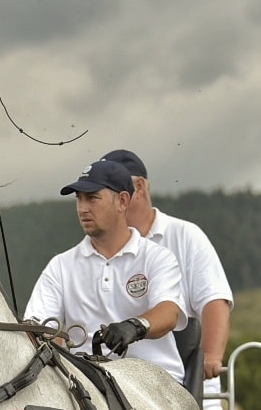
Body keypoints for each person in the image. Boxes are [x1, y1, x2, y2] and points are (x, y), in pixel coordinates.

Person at [102, 149, 235, 410]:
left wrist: (212, 356)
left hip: (189, 388)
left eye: (114, 193)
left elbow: (214, 300)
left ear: (139, 188)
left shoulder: (186, 236)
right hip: (124, 391)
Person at [24, 157, 189, 387]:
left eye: (92, 198)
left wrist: (135, 326)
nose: (83, 208)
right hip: (87, 386)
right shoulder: (60, 266)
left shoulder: (157, 258)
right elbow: (36, 327)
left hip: (155, 385)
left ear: (122, 201)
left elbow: (169, 312)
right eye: (79, 199)